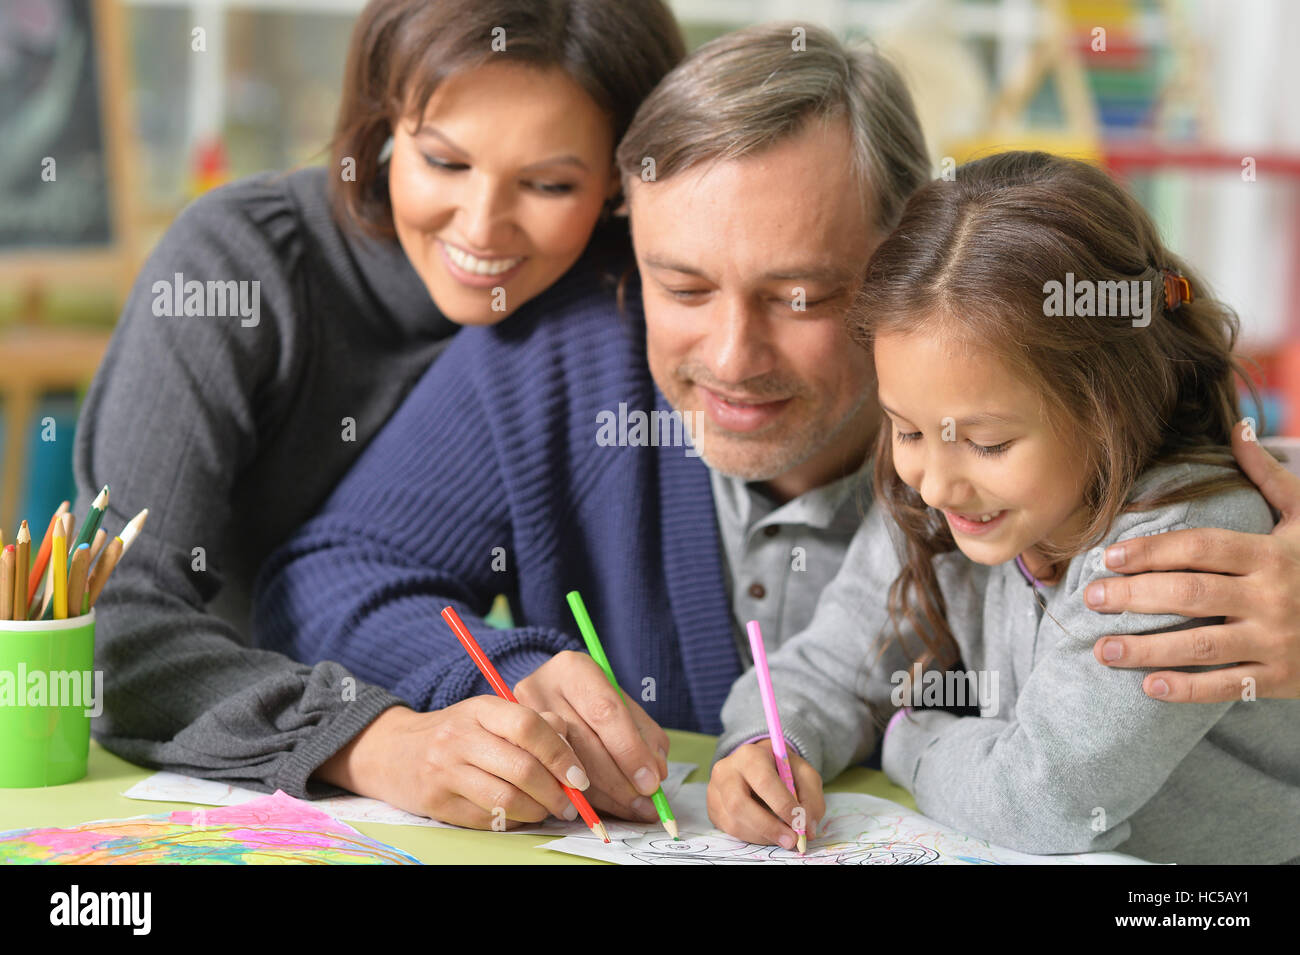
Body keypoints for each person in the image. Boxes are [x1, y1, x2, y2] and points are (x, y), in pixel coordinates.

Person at [253, 24, 1300, 833]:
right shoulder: (560, 360)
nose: (733, 356)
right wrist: (512, 669)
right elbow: (323, 576)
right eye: (682, 284)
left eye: (800, 295)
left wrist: (909, 734)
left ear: (906, 266)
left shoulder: (1066, 447)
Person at [71, 0, 684, 800]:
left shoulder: (615, 308)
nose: (483, 226)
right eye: (444, 162)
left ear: (617, 184)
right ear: (383, 121)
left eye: (548, 183)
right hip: (214, 788)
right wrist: (374, 743)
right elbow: (116, 629)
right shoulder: (232, 271)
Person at [709, 152, 1300, 863]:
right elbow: (823, 669)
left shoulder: (1180, 543)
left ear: (1108, 405)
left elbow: (1042, 801)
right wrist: (766, 746)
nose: (935, 483)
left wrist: (911, 738)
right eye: (907, 429)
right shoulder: (945, 503)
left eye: (987, 442)